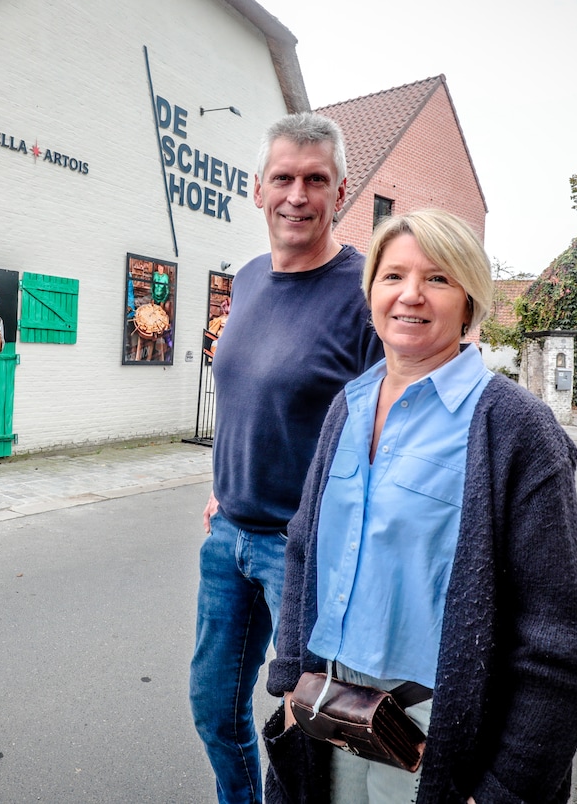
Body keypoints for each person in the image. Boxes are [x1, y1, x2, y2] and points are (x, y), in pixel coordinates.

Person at [265, 210, 577, 804]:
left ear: (469, 301)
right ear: (371, 291)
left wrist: (505, 789)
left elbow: (562, 647)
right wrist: (292, 685)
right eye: (392, 275)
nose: (411, 295)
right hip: (331, 706)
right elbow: (302, 551)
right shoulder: (348, 405)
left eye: (438, 279)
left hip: (439, 732)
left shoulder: (516, 428)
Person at [191, 112, 386, 804]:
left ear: (340, 192)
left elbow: (387, 437)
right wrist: (223, 483)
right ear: (257, 189)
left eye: (315, 180)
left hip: (305, 555)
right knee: (214, 710)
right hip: (229, 539)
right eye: (283, 178)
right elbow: (244, 393)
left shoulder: (366, 294)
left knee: (309, 728)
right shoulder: (245, 279)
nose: (296, 195)